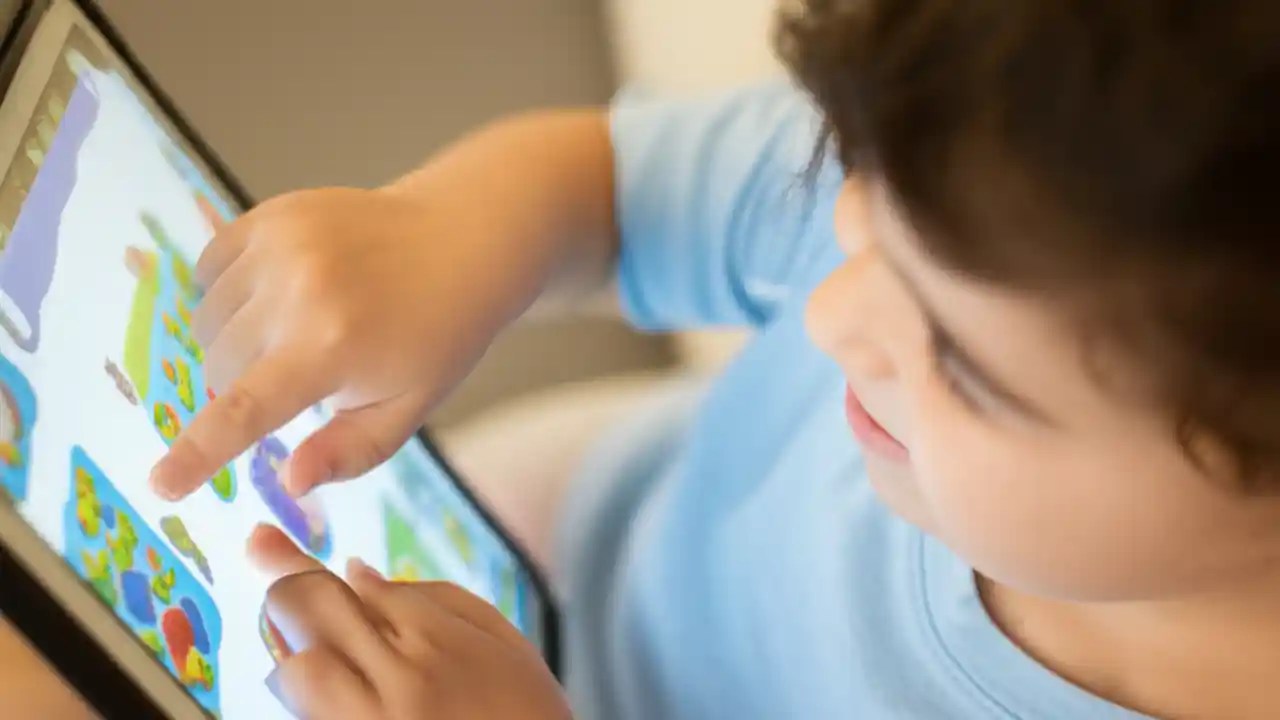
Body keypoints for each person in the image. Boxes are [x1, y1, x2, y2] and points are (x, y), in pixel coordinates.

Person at [9, 0, 1279, 717]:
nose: (833, 315)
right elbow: (618, 187)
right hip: (552, 548)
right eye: (854, 203)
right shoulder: (992, 156)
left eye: (958, 360)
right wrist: (452, 233)